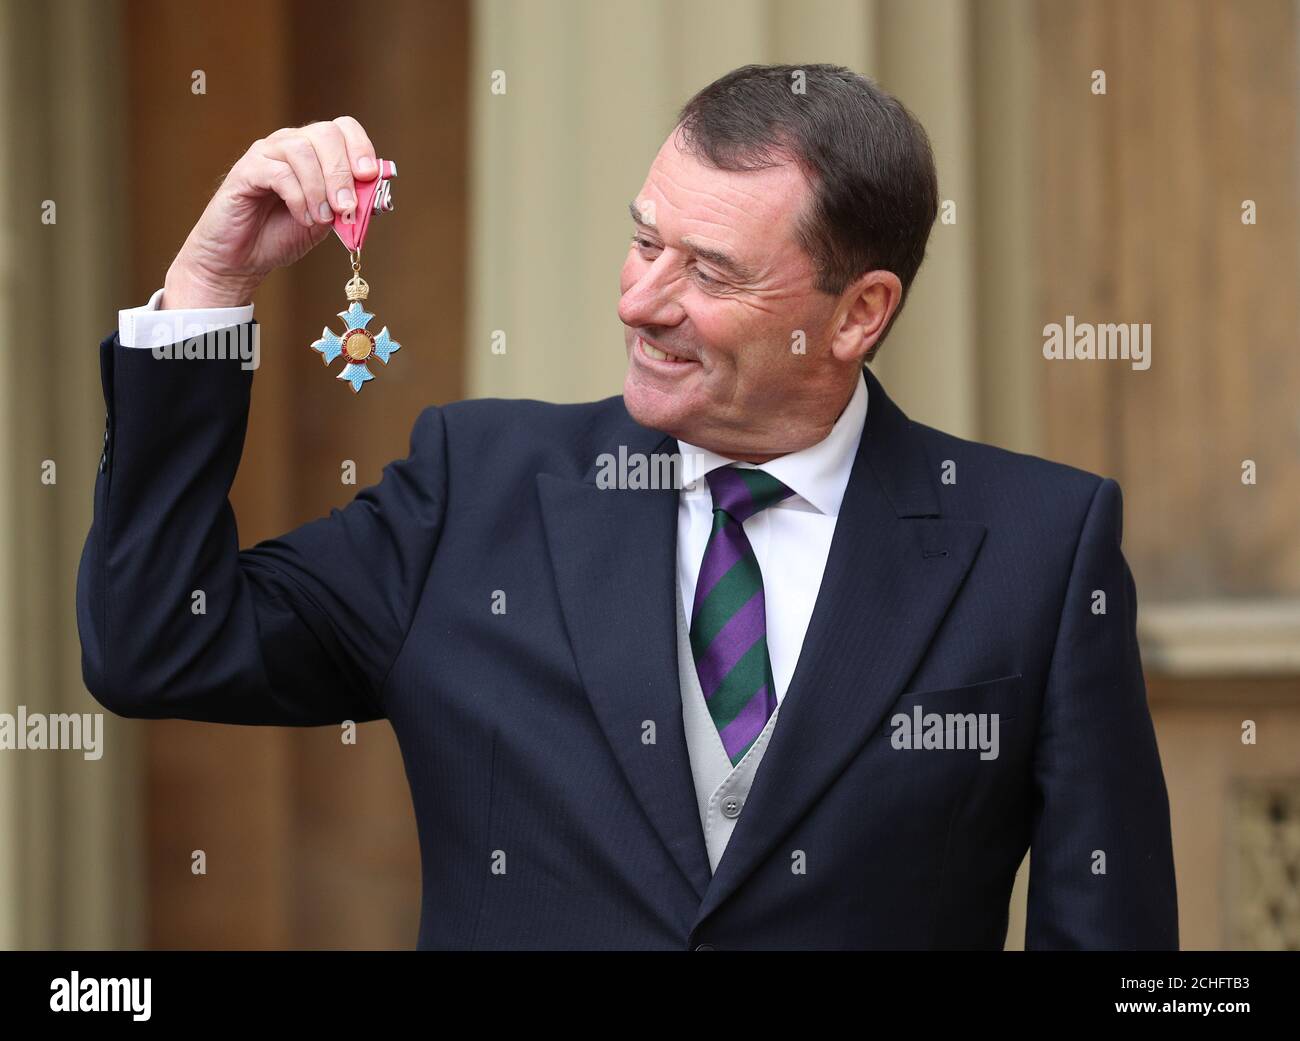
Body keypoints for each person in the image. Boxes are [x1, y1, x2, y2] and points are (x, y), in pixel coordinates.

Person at [77, 64, 1178, 950]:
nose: (641, 301)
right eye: (645, 240)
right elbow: (156, 646)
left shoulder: (1038, 547)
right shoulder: (477, 486)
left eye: (709, 270)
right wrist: (208, 293)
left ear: (858, 314)